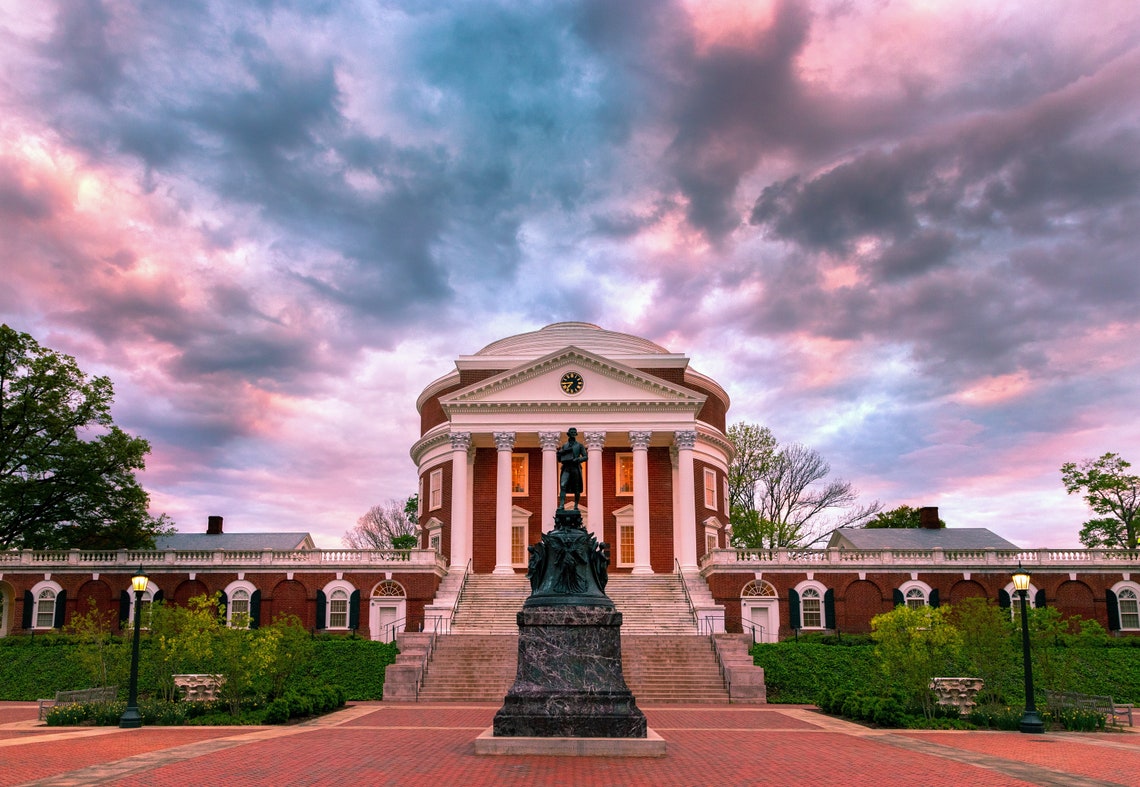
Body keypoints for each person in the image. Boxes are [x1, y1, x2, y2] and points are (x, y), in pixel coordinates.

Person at [557, 427, 587, 510]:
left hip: (575, 467)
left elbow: (585, 457)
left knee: (576, 488)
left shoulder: (579, 445)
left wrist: (578, 459)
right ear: (568, 434)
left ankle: (576, 505)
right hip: (566, 467)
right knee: (563, 485)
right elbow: (559, 459)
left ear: (576, 434)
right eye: (572, 432)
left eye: (574, 432)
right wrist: (559, 454)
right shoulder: (564, 446)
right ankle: (562, 505)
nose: (573, 433)